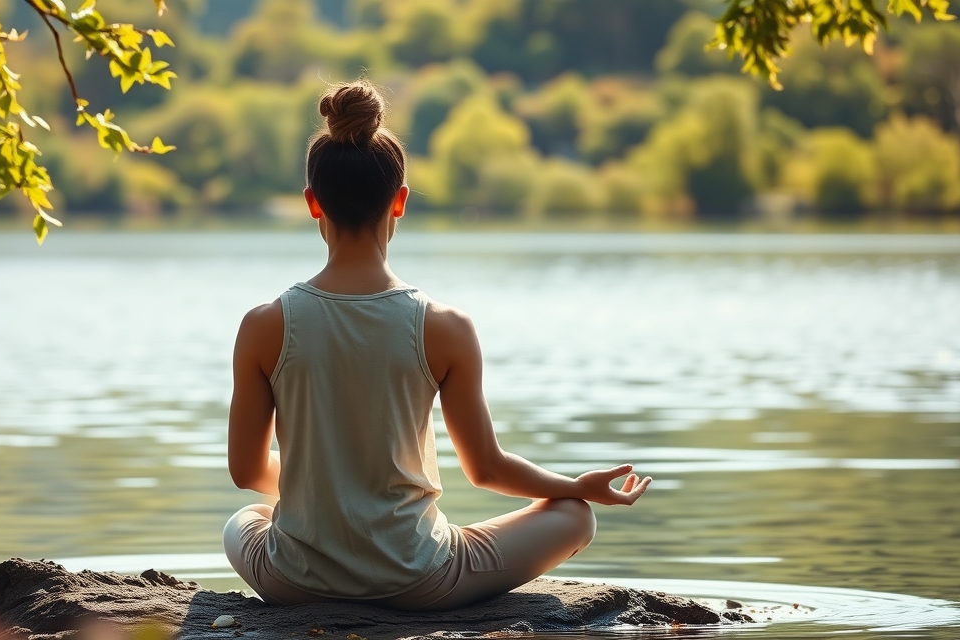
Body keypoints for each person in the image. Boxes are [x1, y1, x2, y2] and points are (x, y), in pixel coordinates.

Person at [224, 80, 652, 611]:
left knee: (244, 521)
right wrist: (576, 486)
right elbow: (487, 470)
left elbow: (246, 474)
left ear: (313, 203)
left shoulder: (265, 324)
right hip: (417, 582)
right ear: (400, 201)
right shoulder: (444, 326)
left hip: (294, 580)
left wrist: (327, 490)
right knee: (574, 515)